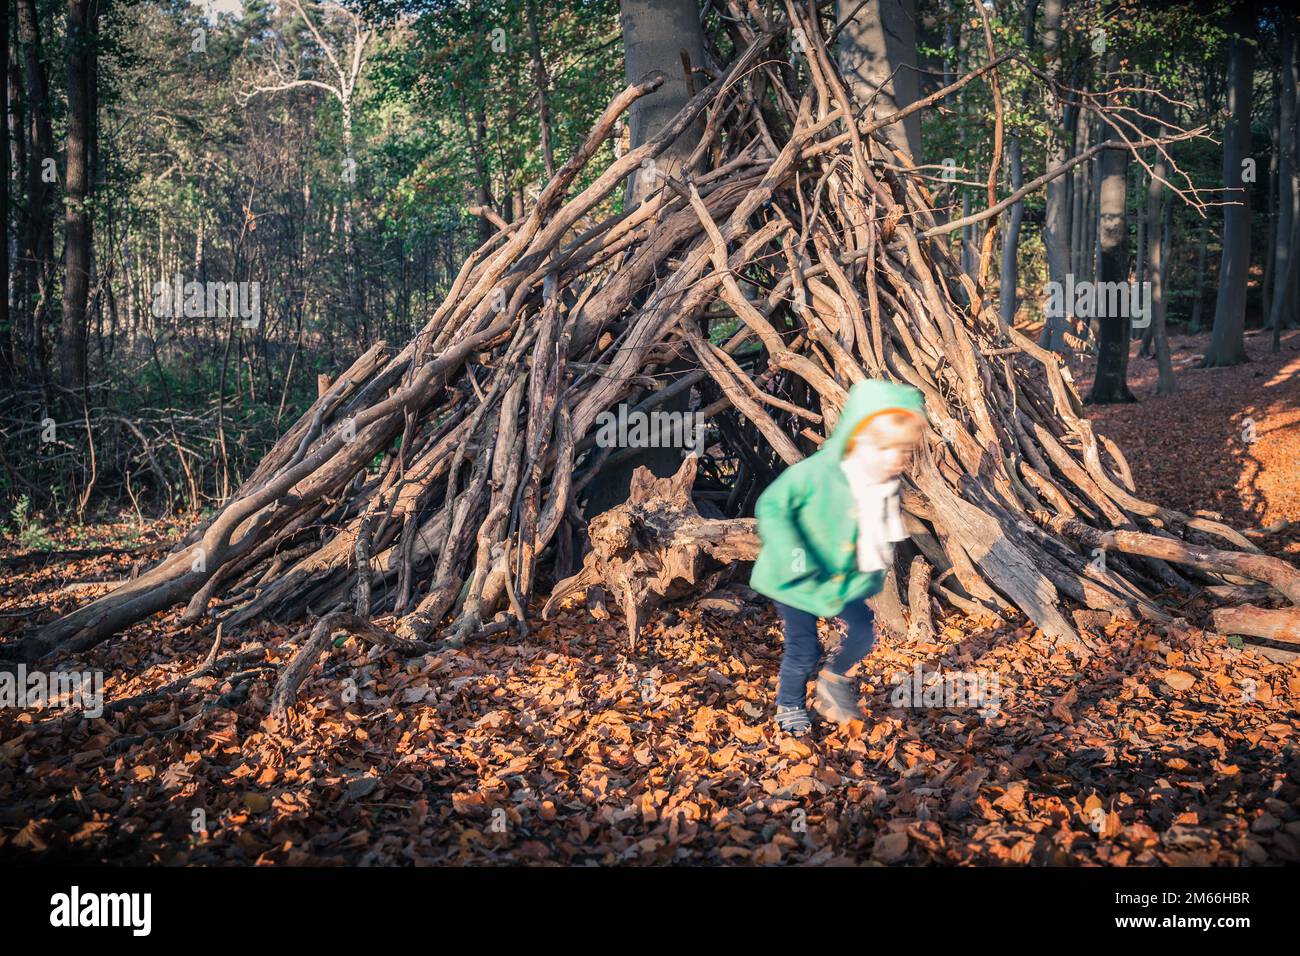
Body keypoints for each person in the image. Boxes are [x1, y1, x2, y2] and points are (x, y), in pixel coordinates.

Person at [749, 379, 927, 735]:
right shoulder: (818, 473)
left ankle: (832, 680)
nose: (900, 460)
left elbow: (877, 541)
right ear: (861, 438)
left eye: (904, 451)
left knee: (863, 633)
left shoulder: (883, 487)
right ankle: (790, 706)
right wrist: (797, 559)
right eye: (890, 449)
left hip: (837, 580)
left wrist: (866, 579)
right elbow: (772, 506)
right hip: (794, 577)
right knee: (804, 648)